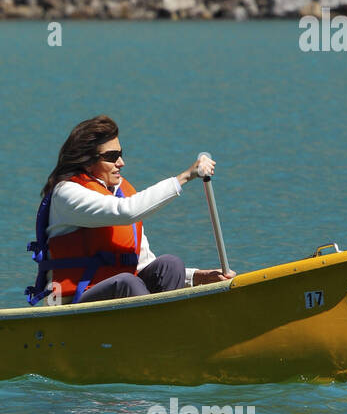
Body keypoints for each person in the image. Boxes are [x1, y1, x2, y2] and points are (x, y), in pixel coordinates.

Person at [27, 115, 235, 305]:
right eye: (112, 156)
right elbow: (126, 212)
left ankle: (166, 327)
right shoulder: (67, 194)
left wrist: (198, 277)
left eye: (121, 154)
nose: (121, 162)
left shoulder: (122, 193)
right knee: (127, 283)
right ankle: (159, 331)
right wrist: (185, 176)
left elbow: (143, 264)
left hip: (122, 297)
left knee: (170, 265)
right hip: (72, 301)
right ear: (88, 161)